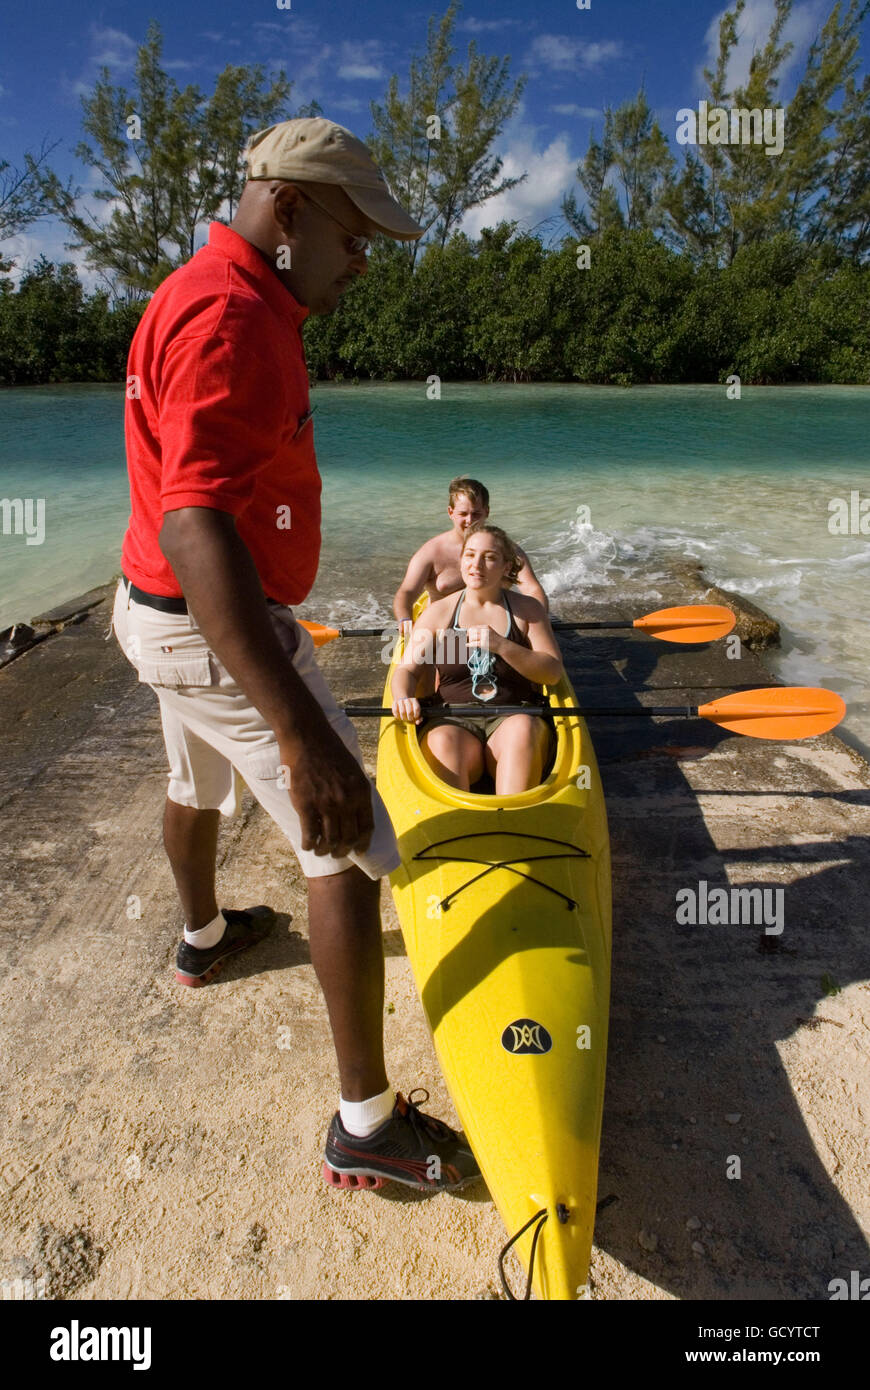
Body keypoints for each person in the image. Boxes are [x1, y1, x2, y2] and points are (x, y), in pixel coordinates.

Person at [112, 117, 479, 1194]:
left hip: (154, 613)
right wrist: (301, 732)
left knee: (195, 783)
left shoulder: (203, 289)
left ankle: (204, 936)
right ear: (289, 209)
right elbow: (197, 525)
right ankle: (367, 1126)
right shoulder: (235, 317)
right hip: (213, 623)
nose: (363, 263)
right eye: (355, 239)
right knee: (348, 845)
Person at [391, 524, 564, 794]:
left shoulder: (527, 610)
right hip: (452, 717)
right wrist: (402, 697)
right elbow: (407, 670)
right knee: (443, 741)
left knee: (522, 730)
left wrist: (503, 646)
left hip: (515, 714)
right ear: (461, 560)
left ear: (506, 567)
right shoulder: (438, 613)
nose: (476, 565)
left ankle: (513, 811)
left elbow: (552, 672)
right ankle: (456, 815)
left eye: (489, 557)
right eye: (470, 555)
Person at [392, 476, 548, 635]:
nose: (470, 520)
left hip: (496, 631)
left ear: (487, 512)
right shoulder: (431, 552)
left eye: (476, 513)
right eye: (463, 514)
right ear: (451, 512)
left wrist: (539, 623)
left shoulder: (506, 550)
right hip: (445, 631)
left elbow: (532, 588)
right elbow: (406, 592)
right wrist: (405, 619)